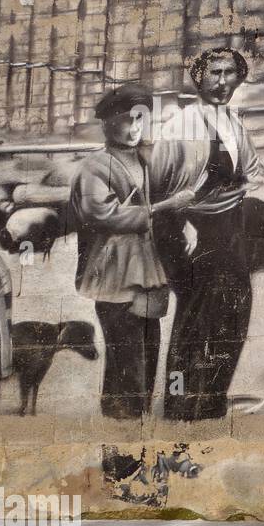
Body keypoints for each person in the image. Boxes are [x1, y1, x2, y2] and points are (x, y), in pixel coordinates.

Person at [149, 48, 264, 421]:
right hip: (192, 232)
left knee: (234, 314)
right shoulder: (179, 126)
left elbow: (252, 168)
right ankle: (181, 405)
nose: (222, 81)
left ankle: (213, 398)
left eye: (230, 73)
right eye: (213, 72)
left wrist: (255, 177)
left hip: (230, 231)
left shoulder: (233, 122)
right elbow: (157, 190)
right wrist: (176, 251)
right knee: (193, 322)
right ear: (198, 77)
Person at [67, 84, 195, 418]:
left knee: (149, 344)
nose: (137, 128)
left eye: (141, 120)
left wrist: (185, 219)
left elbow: (173, 182)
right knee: (125, 349)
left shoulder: (146, 158)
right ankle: (121, 416)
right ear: (108, 124)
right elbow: (104, 215)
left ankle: (136, 411)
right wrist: (166, 207)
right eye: (128, 121)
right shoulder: (93, 167)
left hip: (147, 269)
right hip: (114, 274)